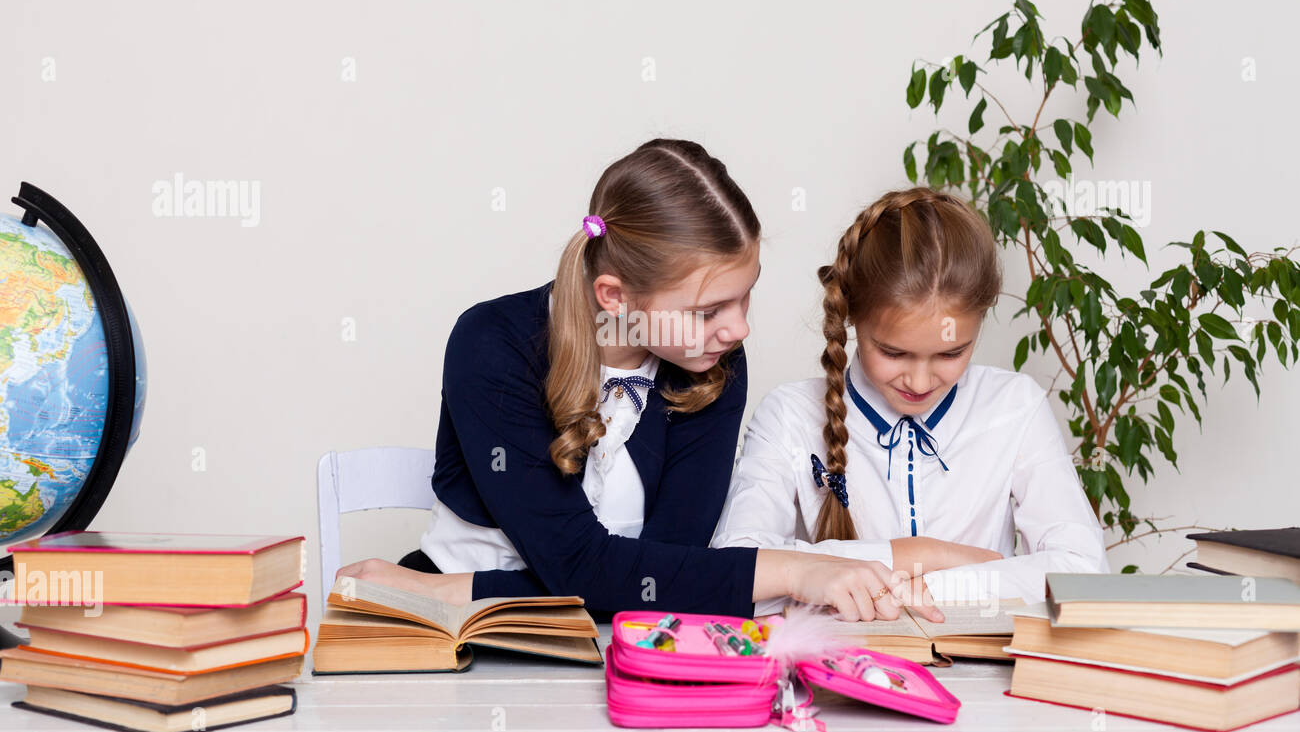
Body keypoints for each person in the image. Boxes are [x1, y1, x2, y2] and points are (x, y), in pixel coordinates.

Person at [336, 139, 940, 622]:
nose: (740, 329)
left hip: (582, 623)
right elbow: (585, 566)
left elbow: (665, 567)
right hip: (461, 629)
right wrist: (796, 571)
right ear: (615, 298)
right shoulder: (492, 344)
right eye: (709, 310)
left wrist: (456, 589)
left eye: (745, 297)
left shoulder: (713, 362)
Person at [711, 187, 1110, 615]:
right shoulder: (788, 415)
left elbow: (1082, 573)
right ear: (851, 317)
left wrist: (929, 585)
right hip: (843, 671)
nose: (920, 381)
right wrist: (926, 554)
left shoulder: (1014, 406)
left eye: (951, 353)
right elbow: (728, 570)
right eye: (894, 353)